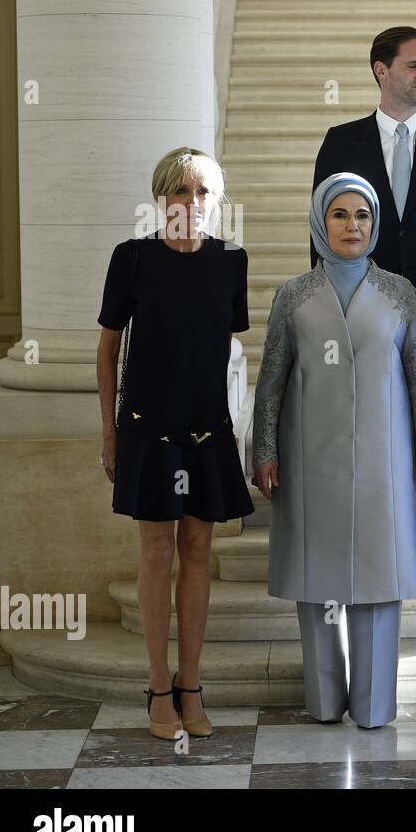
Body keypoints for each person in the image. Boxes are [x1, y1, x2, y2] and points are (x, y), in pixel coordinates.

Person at [253, 173, 416, 728]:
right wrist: (265, 449)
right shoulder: (294, 296)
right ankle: (323, 699)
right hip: (309, 457)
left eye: (361, 215)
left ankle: (374, 704)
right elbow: (270, 381)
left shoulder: (399, 292)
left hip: (385, 460)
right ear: (320, 222)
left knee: (380, 579)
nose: (352, 225)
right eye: (340, 215)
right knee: (316, 583)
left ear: (375, 223)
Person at [311, 26, 416, 596]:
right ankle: (359, 546)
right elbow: (322, 235)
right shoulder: (341, 140)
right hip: (360, 311)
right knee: (359, 427)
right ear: (381, 70)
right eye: (413, 66)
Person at [95, 147, 253, 740]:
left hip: (207, 428)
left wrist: (236, 428)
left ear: (215, 201)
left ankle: (193, 686)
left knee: (197, 552)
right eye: (180, 192)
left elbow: (229, 354)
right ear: (160, 197)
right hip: (145, 427)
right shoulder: (131, 259)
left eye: (202, 193)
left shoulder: (231, 261)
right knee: (156, 552)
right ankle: (159, 688)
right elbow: (109, 350)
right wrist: (109, 434)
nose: (191, 203)